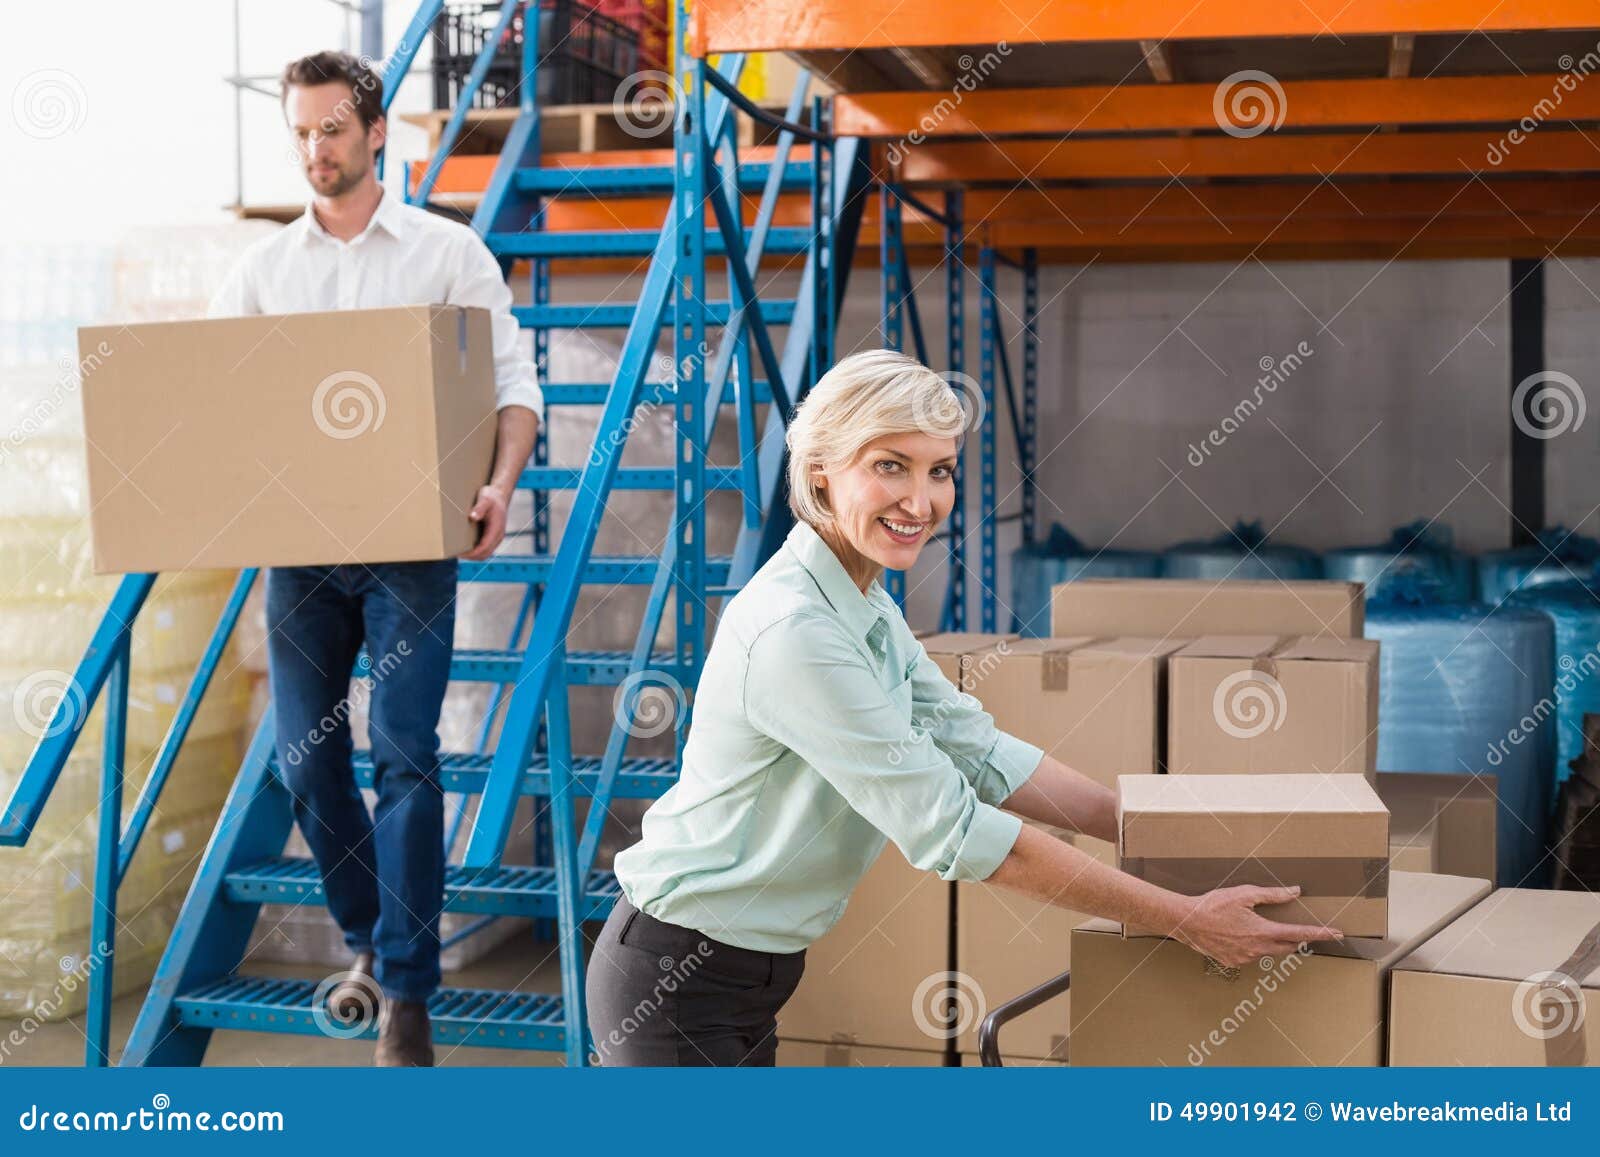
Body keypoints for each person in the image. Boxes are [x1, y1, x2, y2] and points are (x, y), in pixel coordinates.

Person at [587, 349, 1338, 1066]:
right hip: (676, 976)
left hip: (746, 972)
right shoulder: (798, 633)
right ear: (820, 473)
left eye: (939, 470)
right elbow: (958, 830)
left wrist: (1155, 830)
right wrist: (1184, 918)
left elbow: (978, 750)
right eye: (890, 465)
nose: (923, 501)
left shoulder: (860, 602)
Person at [207, 51, 543, 1066]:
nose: (316, 150)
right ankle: (367, 935)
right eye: (301, 132)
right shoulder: (262, 273)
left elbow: (513, 385)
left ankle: (405, 987)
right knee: (307, 762)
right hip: (302, 554)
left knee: (403, 752)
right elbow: (221, 411)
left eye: (333, 130)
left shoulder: (445, 254)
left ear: (376, 133)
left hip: (408, 551)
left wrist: (498, 483)